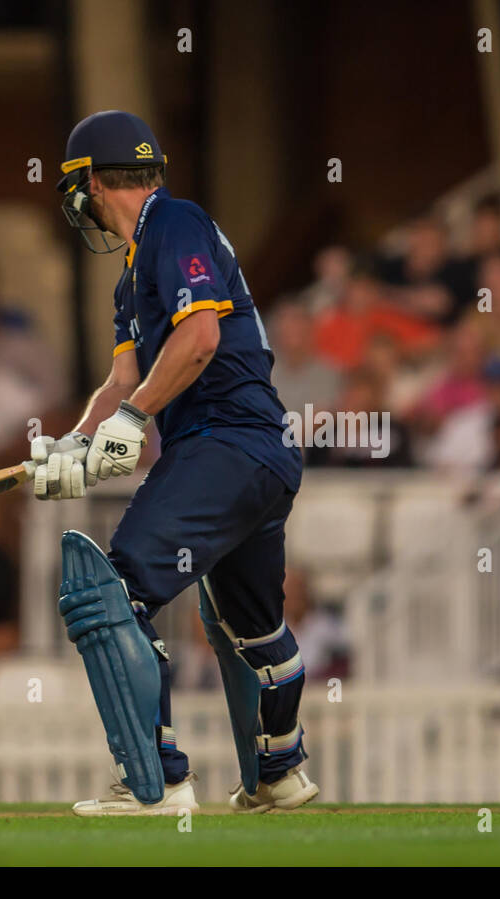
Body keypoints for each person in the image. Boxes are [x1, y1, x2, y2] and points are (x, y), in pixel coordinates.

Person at [30, 111, 316, 816]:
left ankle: (154, 783)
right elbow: (125, 378)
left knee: (115, 590)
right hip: (256, 457)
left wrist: (132, 422)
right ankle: (280, 773)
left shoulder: (172, 222)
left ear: (90, 181)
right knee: (250, 627)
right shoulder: (132, 275)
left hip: (228, 440)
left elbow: (200, 336)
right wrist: (74, 444)